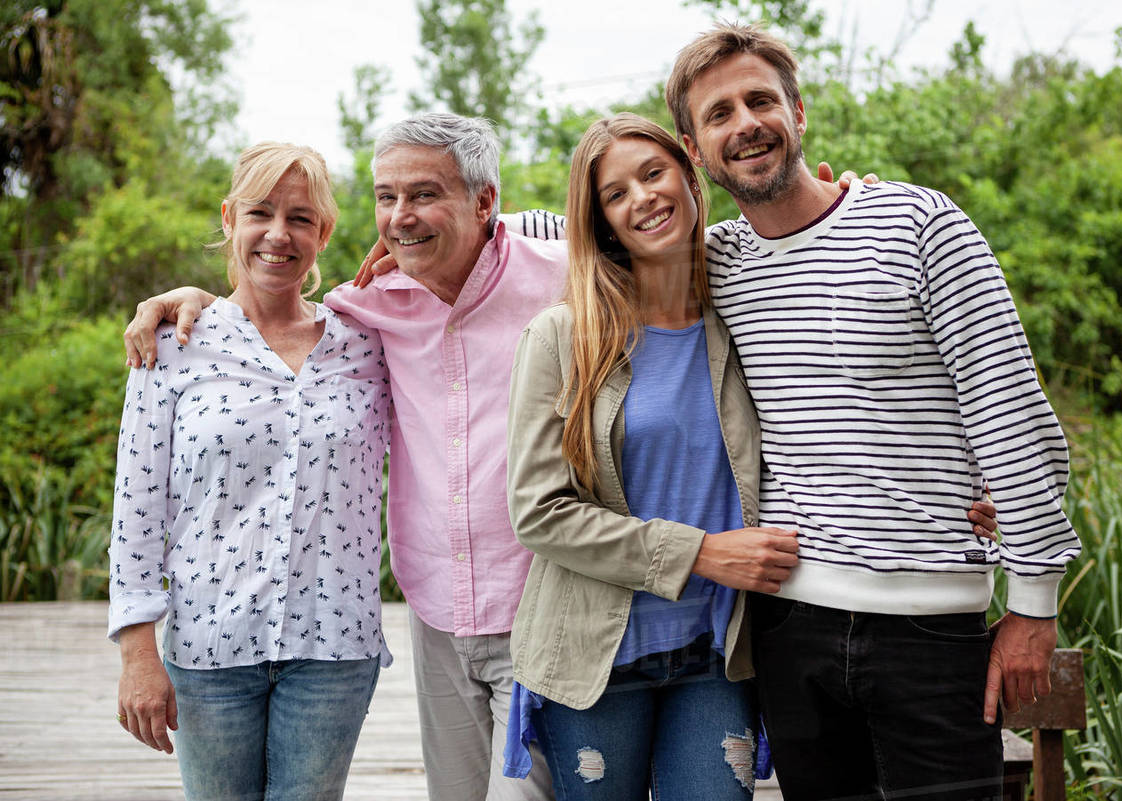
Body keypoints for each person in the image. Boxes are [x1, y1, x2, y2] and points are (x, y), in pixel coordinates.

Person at [119, 116, 998, 799]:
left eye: (425, 195)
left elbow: (639, 210)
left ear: (485, 201)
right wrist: (200, 298)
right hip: (430, 617)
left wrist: (841, 202)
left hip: (556, 611)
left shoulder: (571, 273)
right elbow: (273, 307)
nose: (402, 217)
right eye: (387, 198)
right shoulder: (364, 311)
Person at [658, 22, 1082, 800]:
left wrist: (1033, 604)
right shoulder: (713, 262)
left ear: (799, 112)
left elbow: (1011, 411)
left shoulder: (918, 224)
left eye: (760, 100)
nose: (744, 123)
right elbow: (584, 235)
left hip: (932, 624)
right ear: (695, 149)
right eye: (718, 114)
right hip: (788, 624)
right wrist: (425, 243)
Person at [501, 113, 796, 799]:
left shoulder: (746, 309)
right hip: (595, 657)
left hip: (717, 653)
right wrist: (698, 552)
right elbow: (539, 513)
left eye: (654, 173)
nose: (642, 198)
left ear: (691, 178)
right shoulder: (563, 336)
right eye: (615, 192)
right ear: (601, 220)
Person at [108, 142, 392, 801]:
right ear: (229, 218)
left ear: (323, 232)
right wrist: (137, 654)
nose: (278, 233)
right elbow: (136, 510)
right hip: (208, 649)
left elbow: (490, 246)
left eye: (300, 217)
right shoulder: (174, 342)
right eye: (260, 212)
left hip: (334, 649)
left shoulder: (368, 341)